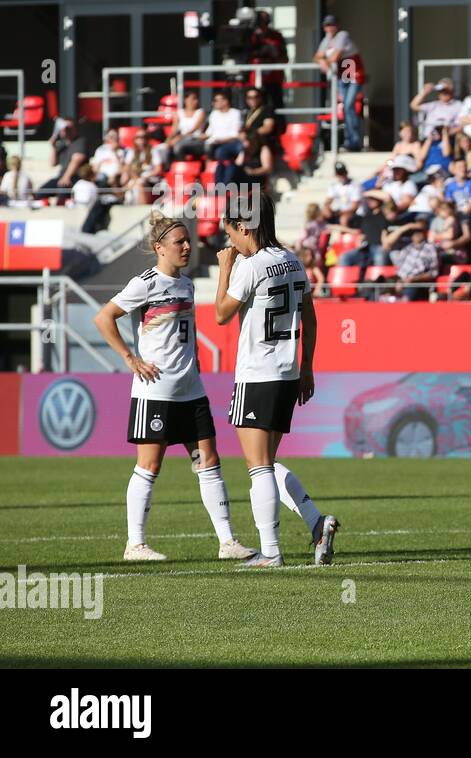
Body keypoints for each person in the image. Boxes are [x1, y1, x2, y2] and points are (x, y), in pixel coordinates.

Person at [92, 213, 257, 563]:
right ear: (159, 248)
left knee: (209, 461)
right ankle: (135, 544)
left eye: (187, 240)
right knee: (150, 465)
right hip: (156, 390)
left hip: (191, 389)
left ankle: (227, 542)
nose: (187, 246)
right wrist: (129, 358)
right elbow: (104, 318)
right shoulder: (145, 283)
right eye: (179, 242)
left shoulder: (186, 284)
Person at [213, 191, 341, 567]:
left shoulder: (251, 266)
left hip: (257, 374)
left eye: (231, 234)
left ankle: (270, 552)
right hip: (286, 373)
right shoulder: (293, 261)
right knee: (267, 460)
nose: (230, 242)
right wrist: (307, 367)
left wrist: (224, 267)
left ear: (243, 226)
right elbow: (311, 318)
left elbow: (221, 314)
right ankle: (317, 523)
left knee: (258, 467)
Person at [314, 15, 365, 151]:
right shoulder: (327, 39)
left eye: (332, 25)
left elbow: (335, 56)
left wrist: (324, 61)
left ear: (337, 26)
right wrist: (322, 60)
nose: (330, 28)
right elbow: (317, 56)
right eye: (327, 25)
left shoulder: (342, 35)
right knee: (344, 107)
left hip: (354, 72)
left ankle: (354, 141)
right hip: (342, 75)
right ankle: (350, 141)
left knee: (349, 106)